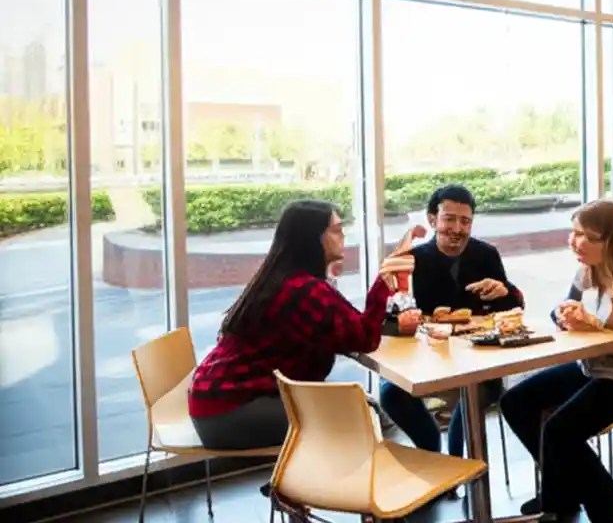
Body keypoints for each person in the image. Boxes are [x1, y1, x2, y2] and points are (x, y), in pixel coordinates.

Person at [500, 200, 613, 523]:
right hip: (593, 368)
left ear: (612, 241)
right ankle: (562, 491)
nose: (575, 242)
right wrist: (564, 314)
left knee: (559, 431)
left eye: (588, 237)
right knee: (515, 402)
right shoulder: (587, 272)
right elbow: (562, 309)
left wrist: (598, 329)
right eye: (574, 232)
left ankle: (603, 500)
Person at [188, 199, 406, 450]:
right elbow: (364, 338)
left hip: (214, 400)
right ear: (313, 239)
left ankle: (320, 485)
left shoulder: (284, 279)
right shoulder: (303, 290)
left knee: (365, 406)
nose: (343, 235)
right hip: (230, 410)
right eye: (335, 230)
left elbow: (348, 326)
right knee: (361, 414)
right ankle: (383, 482)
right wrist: (383, 283)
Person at [378, 185, 523, 460]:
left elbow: (513, 309)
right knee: (390, 394)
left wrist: (504, 292)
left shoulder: (486, 255)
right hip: (426, 360)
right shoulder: (411, 261)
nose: (457, 228)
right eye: (449, 219)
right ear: (432, 220)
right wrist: (404, 322)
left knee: (474, 393)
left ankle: (458, 462)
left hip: (479, 362)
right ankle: (432, 451)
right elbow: (387, 320)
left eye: (465, 221)